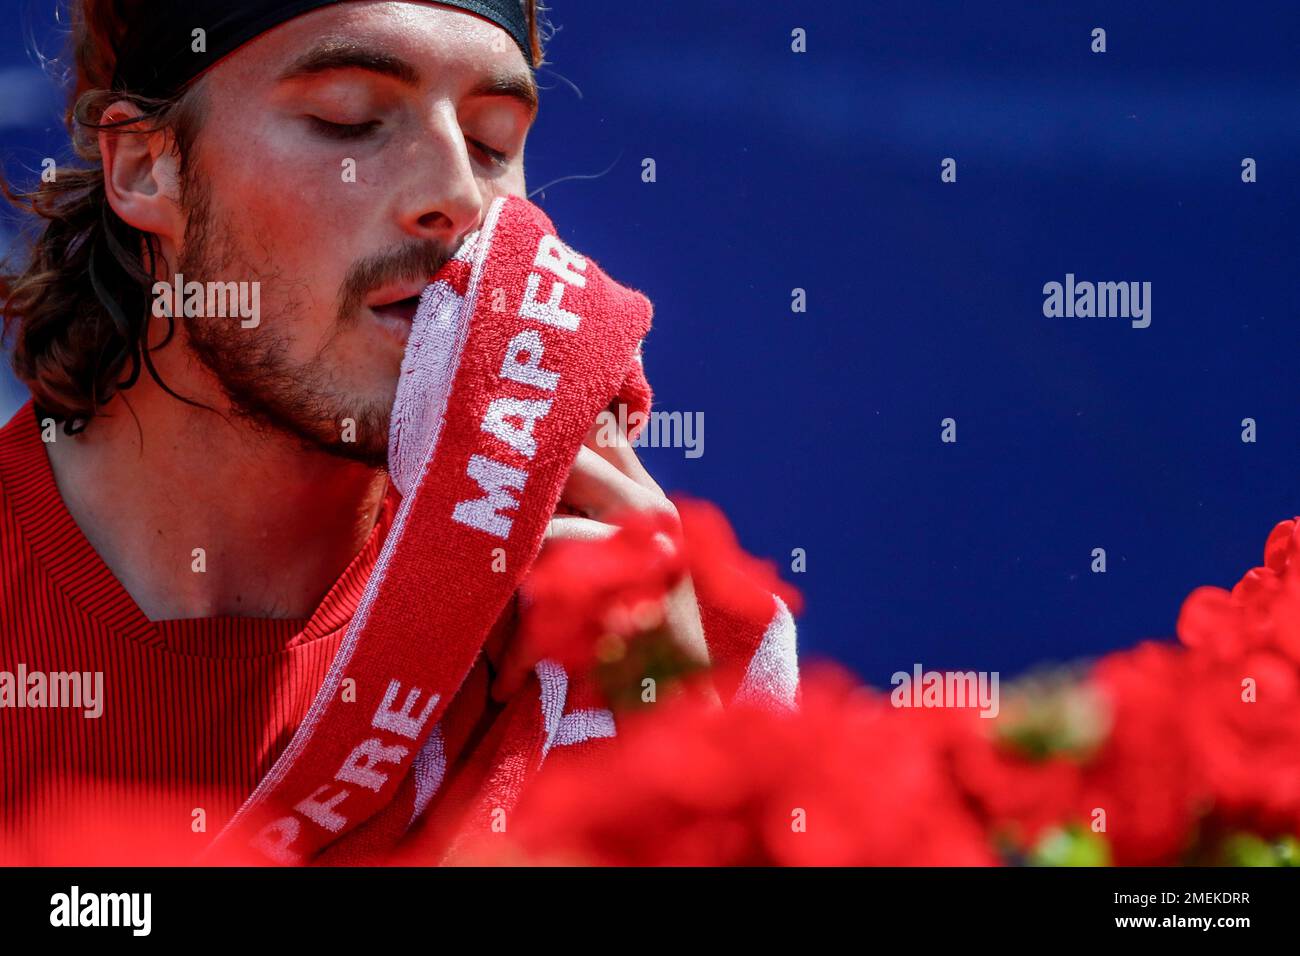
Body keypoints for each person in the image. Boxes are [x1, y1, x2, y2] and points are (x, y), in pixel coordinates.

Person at [0, 0, 741, 860]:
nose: (458, 196)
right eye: (346, 122)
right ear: (144, 170)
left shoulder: (628, 627)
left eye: (493, 140)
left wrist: (684, 767)